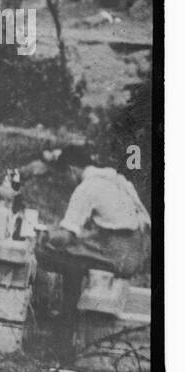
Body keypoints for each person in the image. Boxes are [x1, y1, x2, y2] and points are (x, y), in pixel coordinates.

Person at [36, 146, 151, 344]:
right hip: (138, 248)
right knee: (74, 260)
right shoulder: (116, 180)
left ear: (72, 170)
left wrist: (43, 235)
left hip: (120, 253)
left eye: (66, 175)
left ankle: (63, 331)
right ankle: (66, 325)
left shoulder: (87, 187)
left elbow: (67, 235)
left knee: (61, 260)